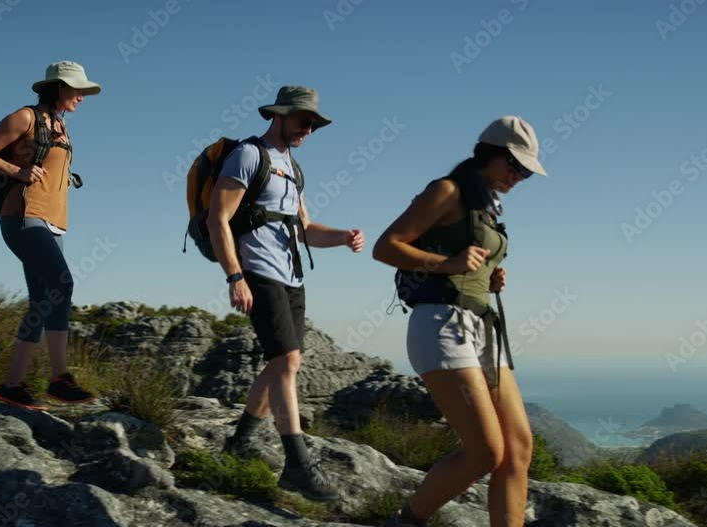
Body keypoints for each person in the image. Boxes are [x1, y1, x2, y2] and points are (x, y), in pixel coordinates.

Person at [372, 116, 546, 526]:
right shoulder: (446, 191)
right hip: (441, 325)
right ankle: (405, 520)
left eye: (526, 171)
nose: (520, 176)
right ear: (490, 155)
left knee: (519, 446)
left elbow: (470, 262)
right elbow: (386, 246)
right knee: (485, 451)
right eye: (515, 166)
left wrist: (490, 278)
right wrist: (448, 263)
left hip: (483, 328)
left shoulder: (485, 206)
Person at [207, 86, 365, 501]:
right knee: (288, 361)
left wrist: (344, 236)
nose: (308, 129)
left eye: (313, 124)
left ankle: (240, 442)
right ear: (279, 116)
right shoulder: (248, 155)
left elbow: (305, 229)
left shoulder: (292, 168)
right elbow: (217, 217)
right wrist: (234, 276)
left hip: (292, 275)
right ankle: (297, 464)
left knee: (281, 362)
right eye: (303, 121)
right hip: (257, 271)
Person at [0, 61, 101, 411]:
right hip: (23, 217)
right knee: (63, 282)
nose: (82, 98)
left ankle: (12, 385)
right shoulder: (25, 117)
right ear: (58, 87)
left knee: (41, 301)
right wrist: (17, 170)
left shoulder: (58, 125)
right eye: (77, 90)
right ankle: (60, 378)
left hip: (53, 222)